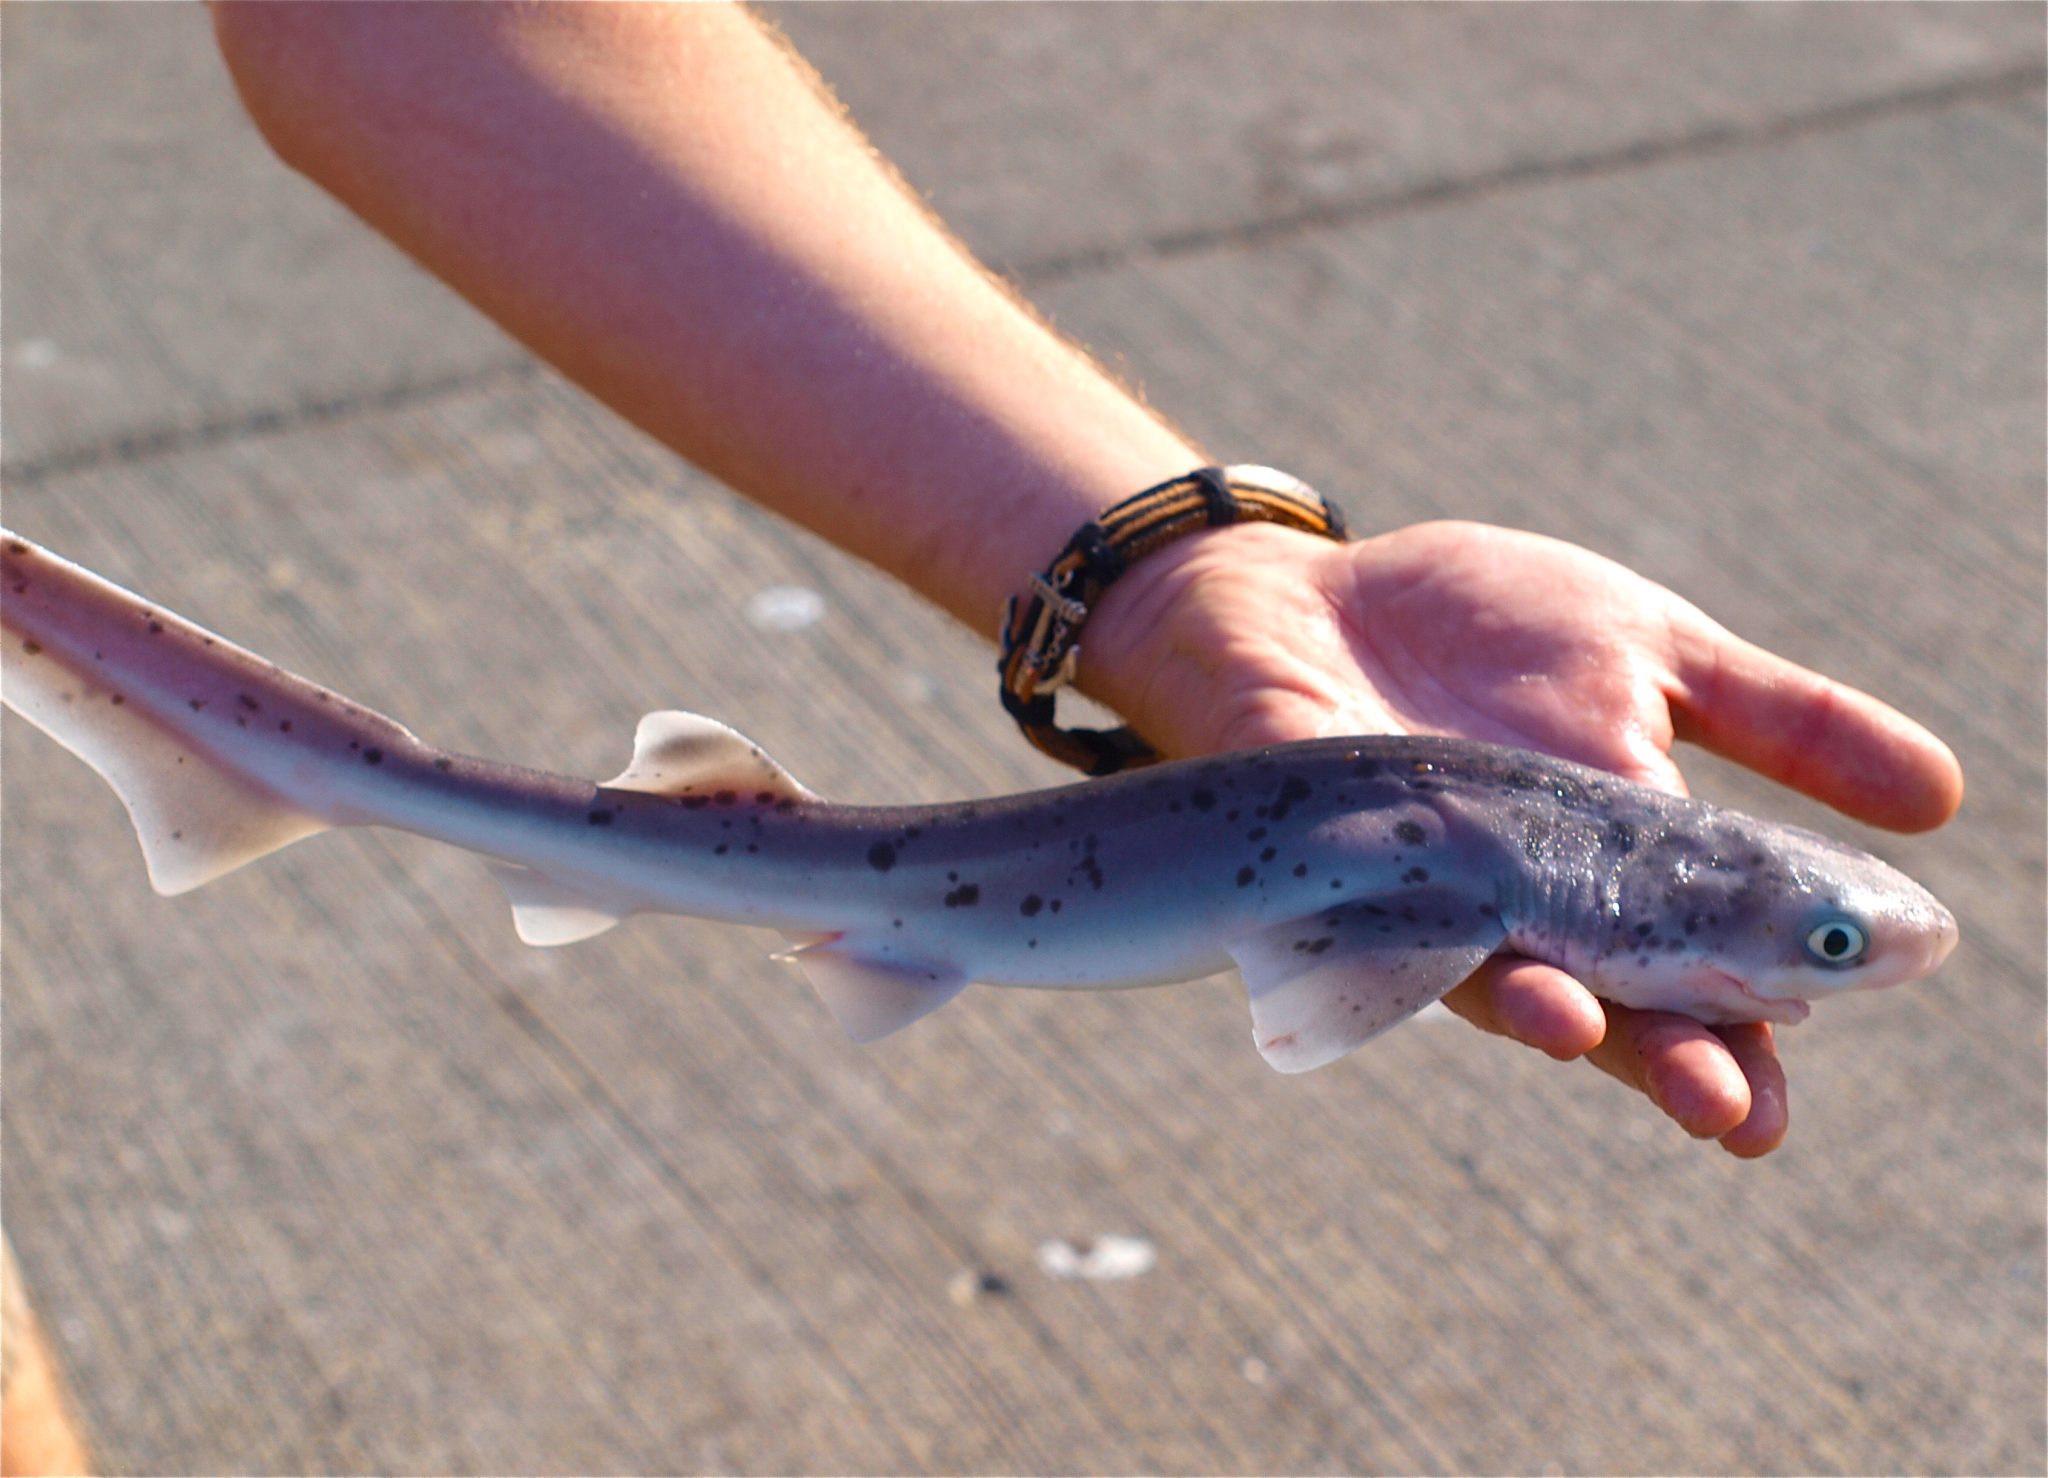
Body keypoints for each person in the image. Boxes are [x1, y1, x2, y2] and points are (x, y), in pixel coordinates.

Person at [204, 2, 1961, 1158]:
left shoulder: (1520, 850)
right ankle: (300, 772)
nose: (1832, 957)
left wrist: (1188, 576)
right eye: (1816, 938)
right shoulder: (1459, 896)